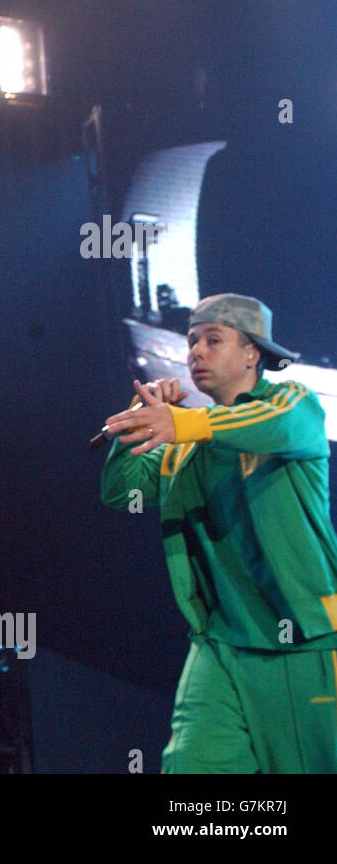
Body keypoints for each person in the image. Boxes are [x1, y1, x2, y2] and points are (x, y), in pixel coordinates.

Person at [100, 293, 337, 773]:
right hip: (221, 645)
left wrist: (181, 421)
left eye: (213, 340)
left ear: (252, 353)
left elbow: (275, 426)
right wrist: (137, 420)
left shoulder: (292, 403)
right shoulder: (183, 445)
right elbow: (120, 492)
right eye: (191, 342)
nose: (195, 353)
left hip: (305, 641)